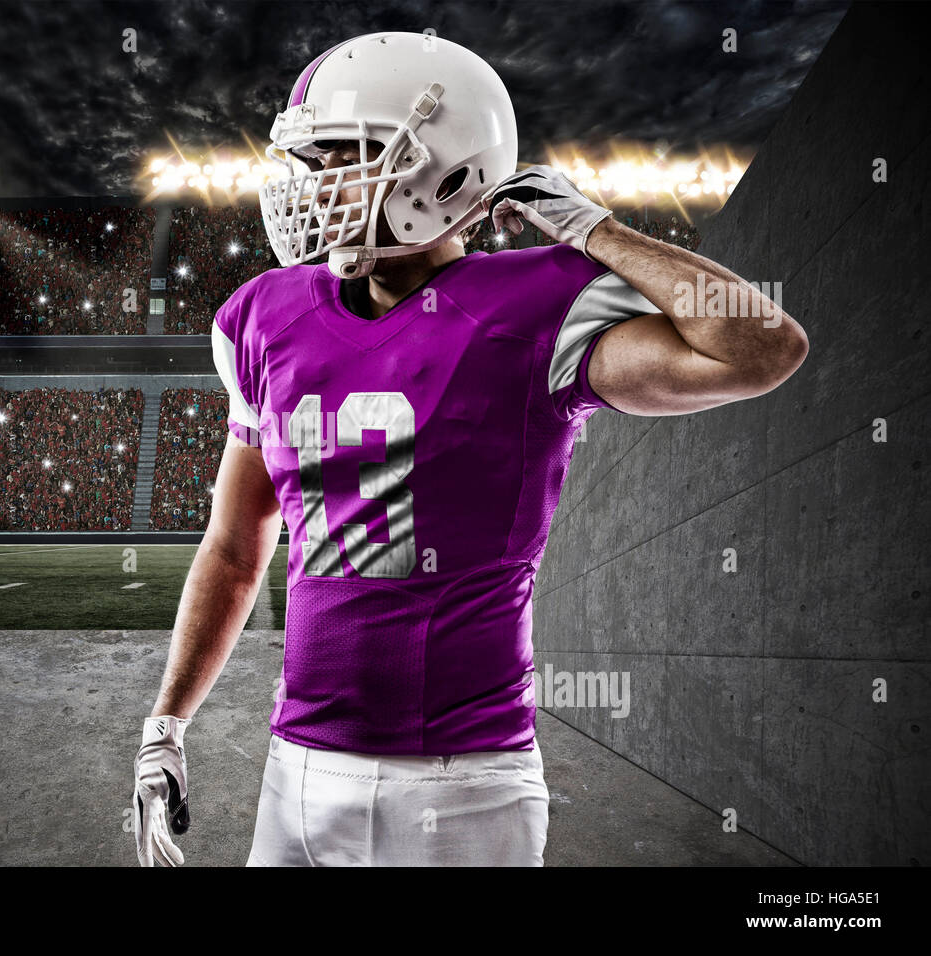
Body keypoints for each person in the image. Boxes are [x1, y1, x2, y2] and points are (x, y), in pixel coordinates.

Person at [133, 31, 807, 867]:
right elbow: (236, 549)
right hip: (296, 769)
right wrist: (166, 724)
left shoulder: (533, 305)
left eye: (344, 156)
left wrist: (598, 233)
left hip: (463, 787)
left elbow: (761, 350)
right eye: (311, 160)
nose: (315, 183)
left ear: (446, 168)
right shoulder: (262, 316)